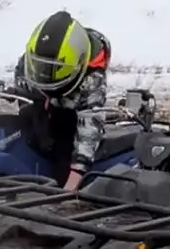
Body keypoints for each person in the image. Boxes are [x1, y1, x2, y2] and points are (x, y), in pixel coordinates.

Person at [12, 11, 111, 191]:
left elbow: (90, 129)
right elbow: (21, 87)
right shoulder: (31, 59)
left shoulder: (91, 79)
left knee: (64, 146)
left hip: (69, 115)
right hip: (43, 101)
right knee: (25, 124)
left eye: (54, 68)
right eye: (42, 66)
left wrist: (73, 179)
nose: (44, 71)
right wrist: (36, 108)